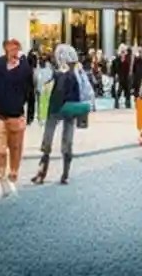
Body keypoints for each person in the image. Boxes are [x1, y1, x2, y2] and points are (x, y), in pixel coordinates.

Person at [0, 39, 36, 196]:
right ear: (5, 49)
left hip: (16, 114)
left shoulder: (25, 69)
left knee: (15, 146)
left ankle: (13, 171)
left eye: (16, 48)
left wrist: (30, 113)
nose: (13, 50)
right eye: (10, 48)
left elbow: (30, 92)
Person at [33, 44, 81, 185]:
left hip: (58, 110)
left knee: (52, 142)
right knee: (61, 142)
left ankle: (49, 173)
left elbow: (51, 90)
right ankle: (59, 174)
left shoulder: (64, 74)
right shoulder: (68, 74)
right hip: (63, 110)